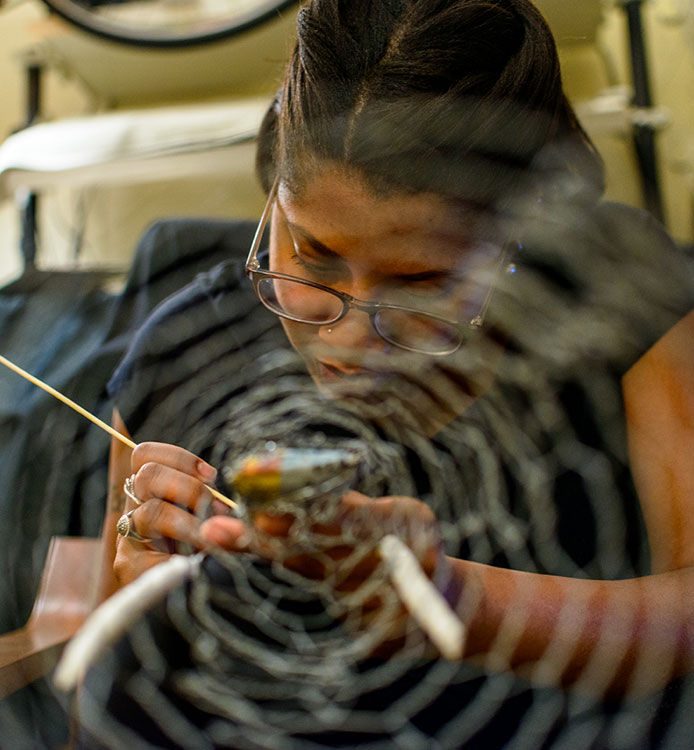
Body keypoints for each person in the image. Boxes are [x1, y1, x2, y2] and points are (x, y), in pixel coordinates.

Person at [88, 0, 694, 746]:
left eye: (422, 280)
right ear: (273, 197)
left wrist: (457, 601)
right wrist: (147, 590)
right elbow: (101, 642)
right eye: (310, 253)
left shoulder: (621, 309)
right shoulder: (185, 347)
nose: (347, 334)